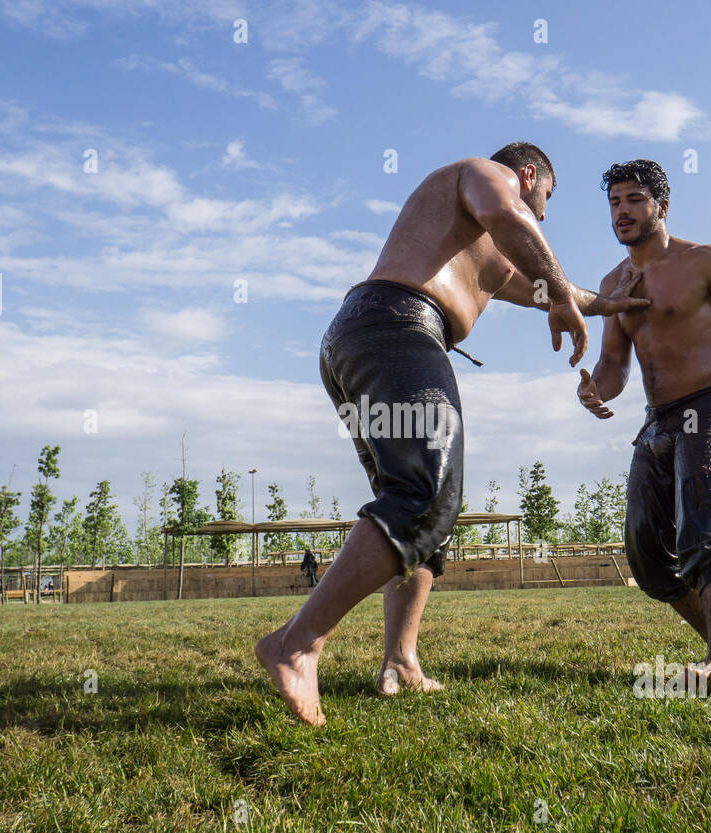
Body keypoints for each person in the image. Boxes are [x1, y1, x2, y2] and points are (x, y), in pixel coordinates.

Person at [254, 142, 650, 725]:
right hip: (396, 327)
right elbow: (512, 218)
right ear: (530, 175)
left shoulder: (491, 254)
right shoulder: (483, 175)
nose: (544, 213)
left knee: (420, 509)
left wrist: (614, 303)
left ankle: (400, 660)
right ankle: (295, 643)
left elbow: (553, 289)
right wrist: (561, 288)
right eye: (547, 197)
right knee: (425, 495)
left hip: (362, 339)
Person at [576, 159, 711, 700]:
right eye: (614, 202)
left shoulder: (704, 261)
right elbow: (615, 366)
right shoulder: (613, 283)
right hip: (657, 420)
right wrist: (595, 388)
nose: (622, 211)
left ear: (662, 207)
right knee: (647, 554)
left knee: (706, 519)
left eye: (634, 199)